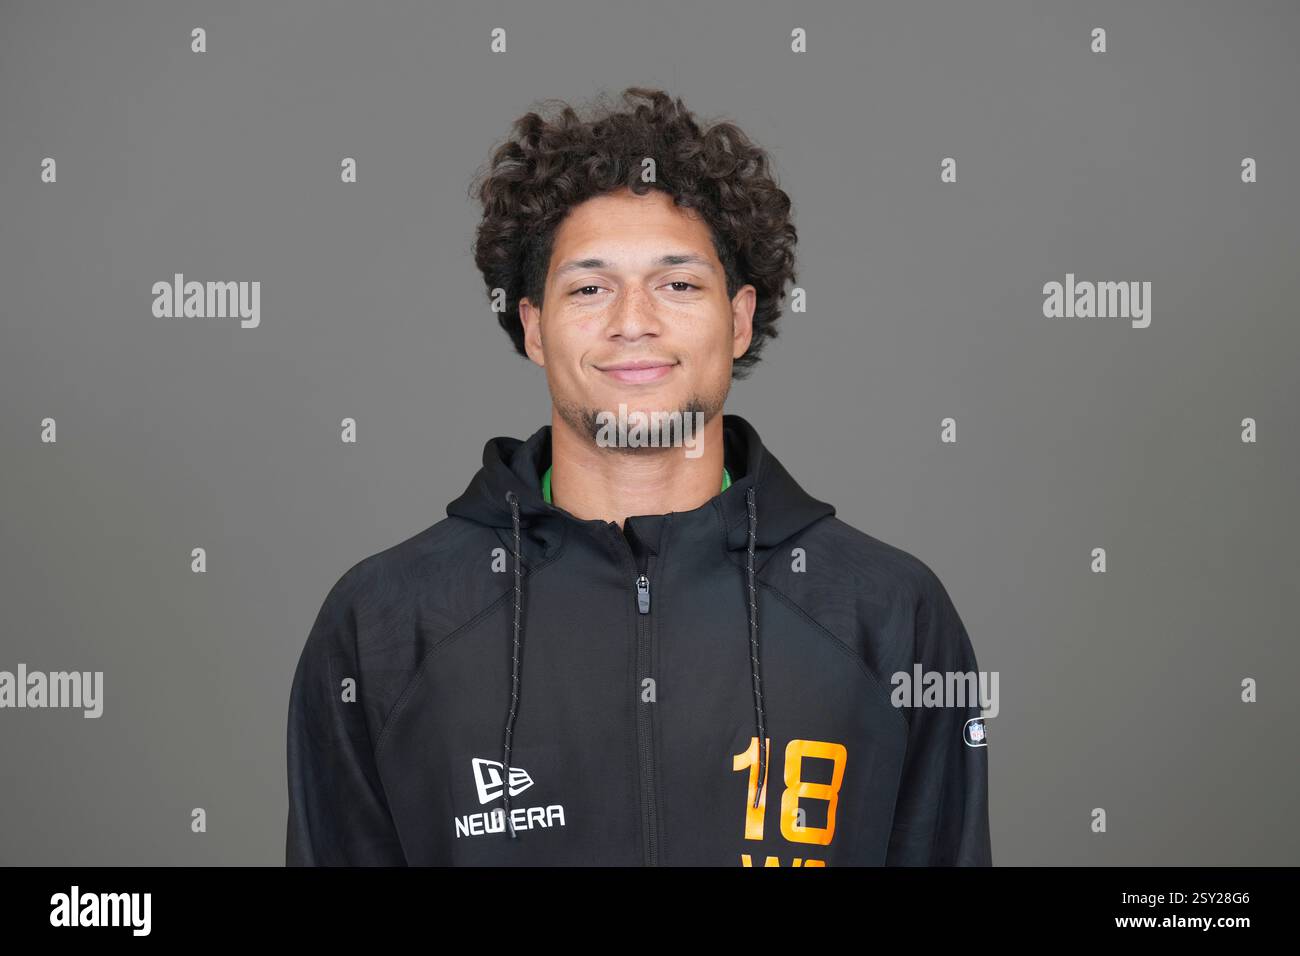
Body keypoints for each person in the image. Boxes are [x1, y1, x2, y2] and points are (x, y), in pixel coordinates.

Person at [286, 87, 991, 866]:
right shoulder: (389, 621)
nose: (633, 320)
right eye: (589, 287)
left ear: (740, 317)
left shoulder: (886, 612)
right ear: (532, 328)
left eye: (678, 284)